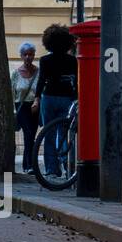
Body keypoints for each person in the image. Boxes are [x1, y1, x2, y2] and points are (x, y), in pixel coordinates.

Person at [33, 24, 78, 178]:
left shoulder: (45, 60)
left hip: (49, 97)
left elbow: (41, 80)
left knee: (48, 133)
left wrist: (37, 97)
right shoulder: (72, 61)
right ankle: (66, 164)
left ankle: (52, 169)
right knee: (64, 133)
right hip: (67, 98)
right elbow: (76, 82)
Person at [11, 41, 40, 174]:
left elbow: (41, 91)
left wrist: (37, 101)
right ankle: (28, 165)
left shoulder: (38, 72)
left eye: (30, 54)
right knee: (28, 135)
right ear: (21, 56)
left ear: (34, 55)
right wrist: (13, 111)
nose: (28, 57)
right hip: (21, 107)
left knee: (31, 136)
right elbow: (12, 93)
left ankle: (28, 164)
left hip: (35, 107)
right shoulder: (16, 74)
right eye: (25, 54)